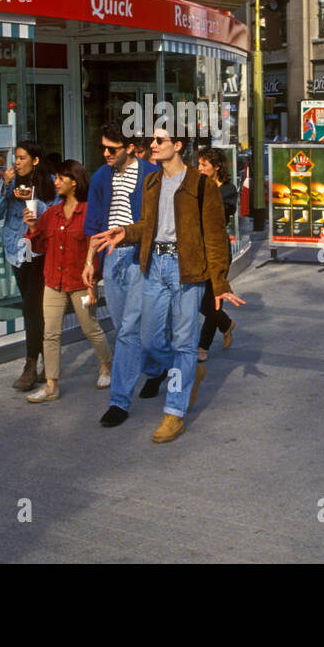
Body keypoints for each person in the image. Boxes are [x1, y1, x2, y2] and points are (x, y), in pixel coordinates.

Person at [92, 129, 244, 442]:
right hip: (154, 265)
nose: (153, 146)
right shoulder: (153, 181)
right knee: (148, 340)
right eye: (152, 141)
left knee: (185, 343)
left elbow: (215, 235)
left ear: (177, 146)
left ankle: (174, 413)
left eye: (160, 141)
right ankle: (188, 370)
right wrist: (127, 232)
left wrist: (219, 282)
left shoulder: (201, 185)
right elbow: (150, 224)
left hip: (186, 268)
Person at [83, 123, 165, 416]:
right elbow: (93, 226)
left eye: (112, 149)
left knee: (130, 329)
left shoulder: (153, 175)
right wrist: (90, 264)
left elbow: (160, 223)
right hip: (111, 257)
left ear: (130, 148)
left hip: (141, 256)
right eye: (103, 147)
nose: (105, 153)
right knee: (123, 327)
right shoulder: (100, 177)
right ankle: (155, 369)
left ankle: (119, 401)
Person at [24, 161, 111, 403]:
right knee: (50, 334)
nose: (56, 182)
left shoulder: (89, 213)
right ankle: (51, 385)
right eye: (56, 178)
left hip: (81, 283)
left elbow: (97, 250)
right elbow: (39, 246)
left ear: (74, 181)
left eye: (61, 178)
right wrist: (32, 228)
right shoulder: (51, 214)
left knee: (90, 328)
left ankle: (107, 365)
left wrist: (93, 284)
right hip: (53, 281)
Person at [0, 140, 53, 390]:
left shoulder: (49, 182)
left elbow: (57, 214)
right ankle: (44, 361)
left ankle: (32, 364)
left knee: (33, 308)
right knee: (32, 306)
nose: (17, 162)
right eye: (16, 157)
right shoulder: (11, 183)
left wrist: (34, 201)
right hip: (18, 252)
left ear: (35, 160)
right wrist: (4, 186)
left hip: (38, 252)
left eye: (23, 157)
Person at [195, 147, 238, 360]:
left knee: (212, 299)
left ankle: (203, 346)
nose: (200, 168)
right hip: (197, 249)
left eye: (204, 165)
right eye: (199, 164)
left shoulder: (228, 190)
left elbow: (219, 214)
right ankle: (226, 323)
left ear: (217, 167)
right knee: (201, 300)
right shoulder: (197, 185)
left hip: (218, 249)